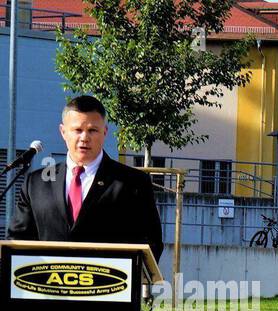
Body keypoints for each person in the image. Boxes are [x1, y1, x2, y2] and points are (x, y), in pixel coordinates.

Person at [7, 94, 163, 261]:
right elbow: (17, 241)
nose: (84, 138)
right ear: (63, 132)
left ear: (105, 132)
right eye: (77, 130)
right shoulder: (36, 183)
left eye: (92, 130)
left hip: (108, 284)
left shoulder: (133, 182)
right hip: (47, 284)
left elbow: (150, 245)